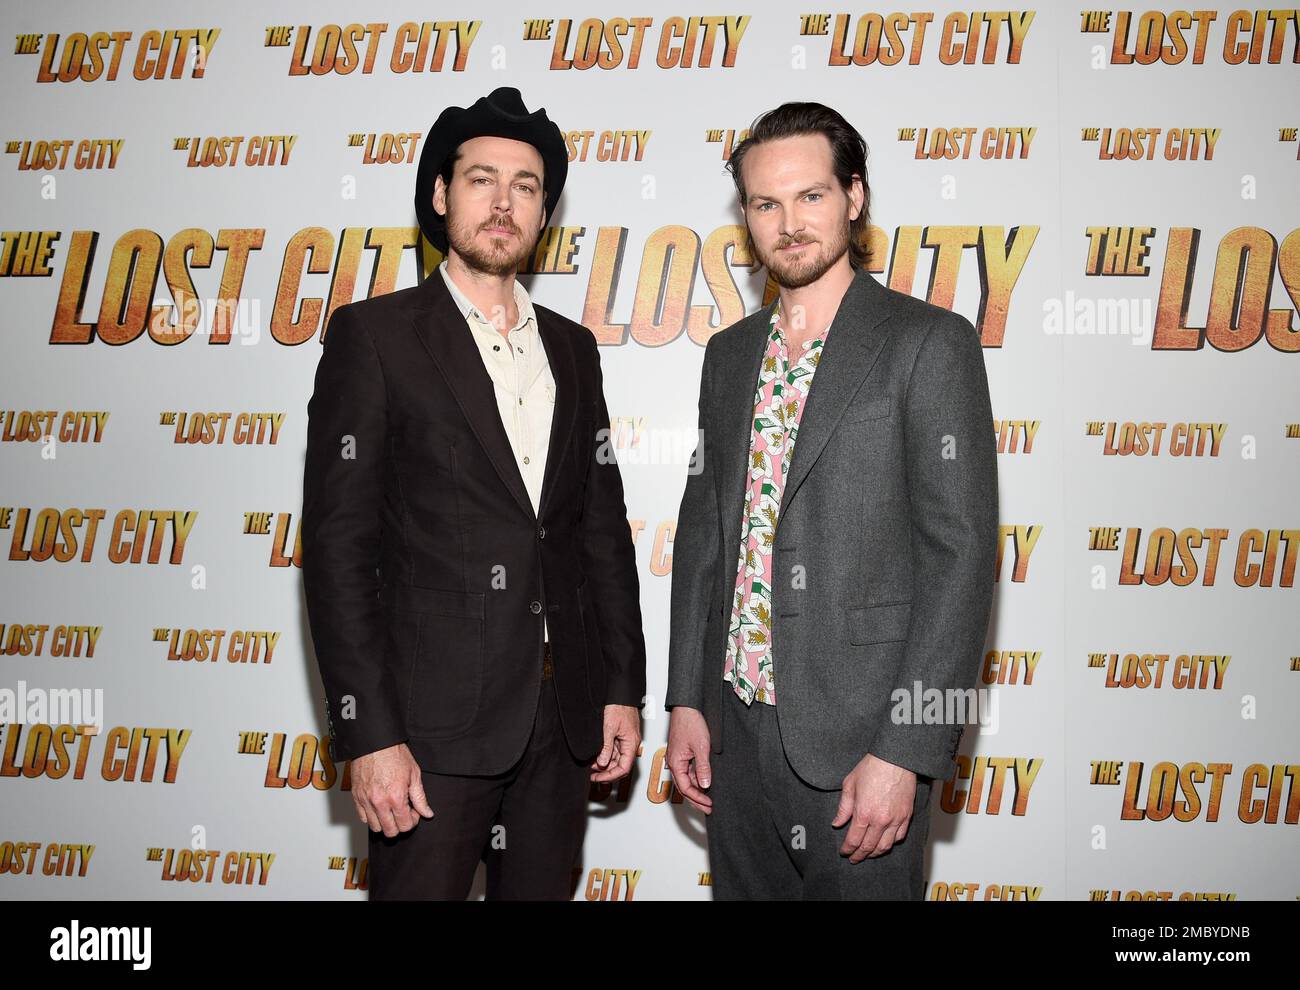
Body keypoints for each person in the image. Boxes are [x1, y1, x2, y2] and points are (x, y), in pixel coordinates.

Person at [302, 87, 646, 900]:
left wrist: (621, 688)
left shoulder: (573, 348)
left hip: (561, 727)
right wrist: (371, 738)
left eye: (526, 186)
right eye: (482, 179)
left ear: (544, 209)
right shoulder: (376, 336)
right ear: (439, 194)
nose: (503, 203)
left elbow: (600, 530)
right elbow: (338, 552)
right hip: (427, 736)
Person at [665, 101, 998, 900]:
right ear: (745, 216)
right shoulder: (729, 355)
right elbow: (705, 538)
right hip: (736, 741)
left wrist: (907, 751)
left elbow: (963, 558)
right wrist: (685, 699)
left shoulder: (929, 342)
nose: (788, 223)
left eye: (810, 196)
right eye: (765, 203)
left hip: (862, 747)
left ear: (854, 197)